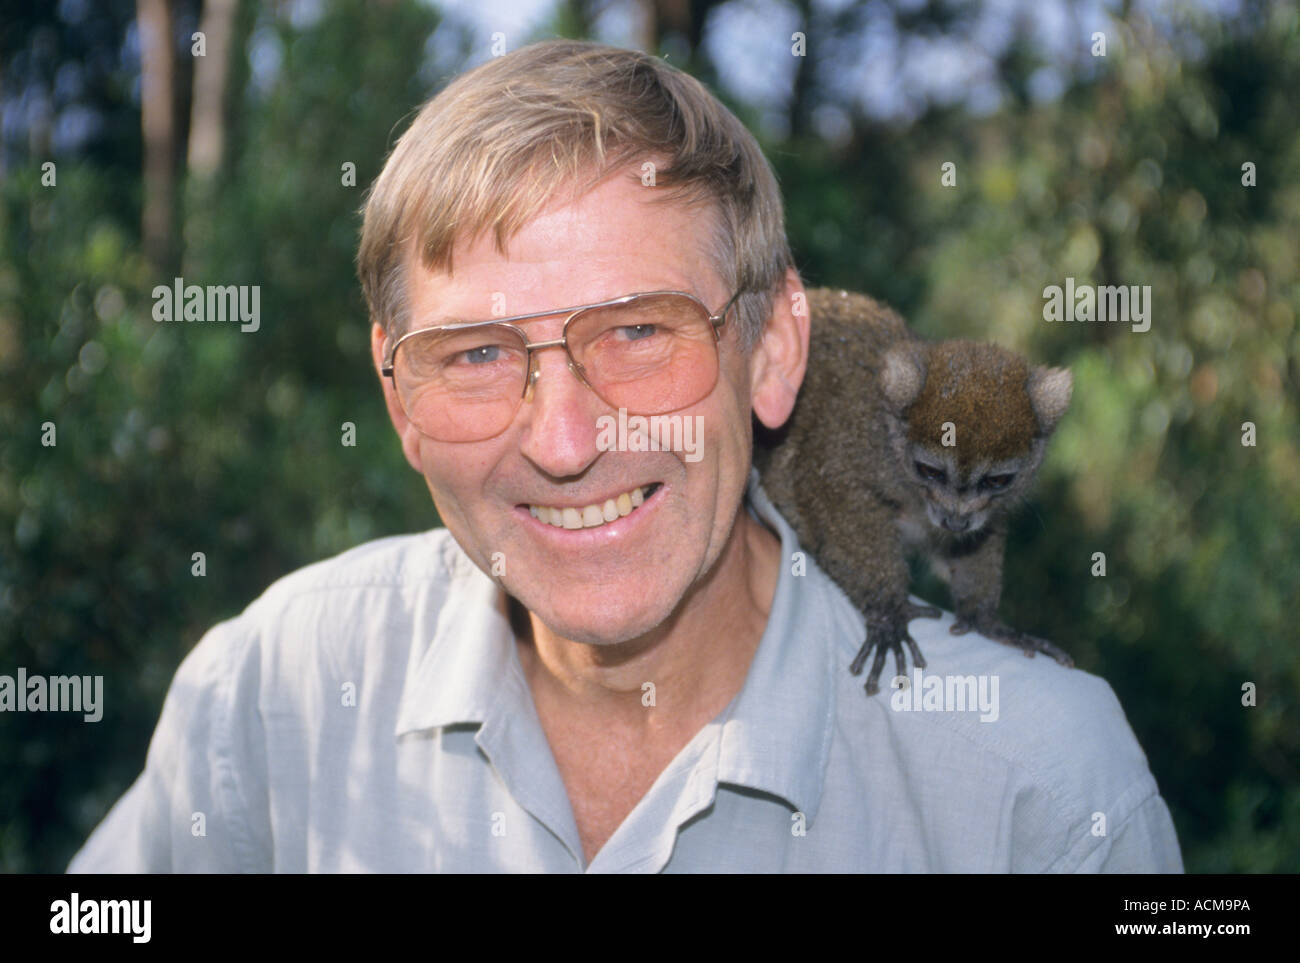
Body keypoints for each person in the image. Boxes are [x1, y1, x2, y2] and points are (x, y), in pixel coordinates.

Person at [69, 39, 1182, 873]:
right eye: (472, 356)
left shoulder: (1032, 789)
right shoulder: (275, 690)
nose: (563, 443)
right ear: (394, 398)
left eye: (640, 332)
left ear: (773, 348)